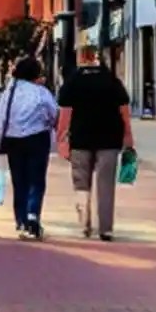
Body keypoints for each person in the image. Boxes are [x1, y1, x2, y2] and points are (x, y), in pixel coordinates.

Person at [56, 45, 133, 242]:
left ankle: (85, 225)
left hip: (80, 139)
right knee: (106, 185)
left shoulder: (73, 81)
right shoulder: (111, 80)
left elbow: (66, 113)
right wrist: (128, 135)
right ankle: (106, 229)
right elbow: (123, 110)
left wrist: (61, 139)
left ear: (81, 58)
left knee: (81, 183)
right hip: (109, 139)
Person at [0, 57, 57, 240]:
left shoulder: (9, 92)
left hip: (13, 140)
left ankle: (20, 220)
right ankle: (33, 216)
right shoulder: (41, 93)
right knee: (36, 179)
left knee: (19, 180)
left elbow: (0, 117)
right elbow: (53, 113)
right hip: (37, 138)